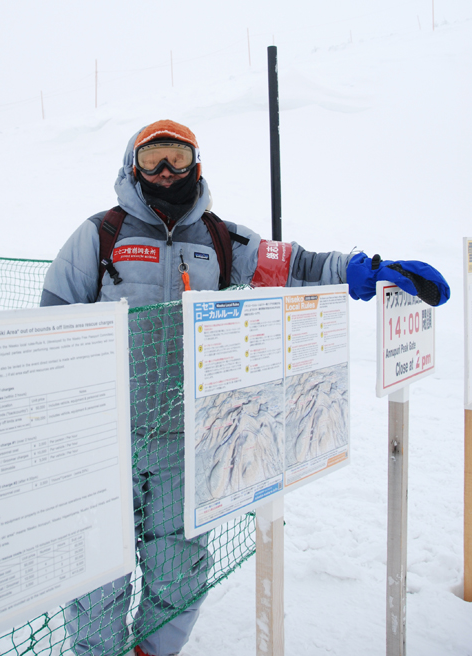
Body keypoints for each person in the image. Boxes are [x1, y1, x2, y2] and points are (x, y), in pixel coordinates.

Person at [41, 119, 449, 656]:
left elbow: (296, 267)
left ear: (198, 165)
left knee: (181, 572)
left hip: (182, 442)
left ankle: (151, 652)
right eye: (154, 159)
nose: (166, 172)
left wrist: (368, 270)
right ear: (131, 167)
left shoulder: (221, 239)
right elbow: (48, 330)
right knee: (101, 575)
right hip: (103, 438)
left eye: (178, 159)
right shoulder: (100, 235)